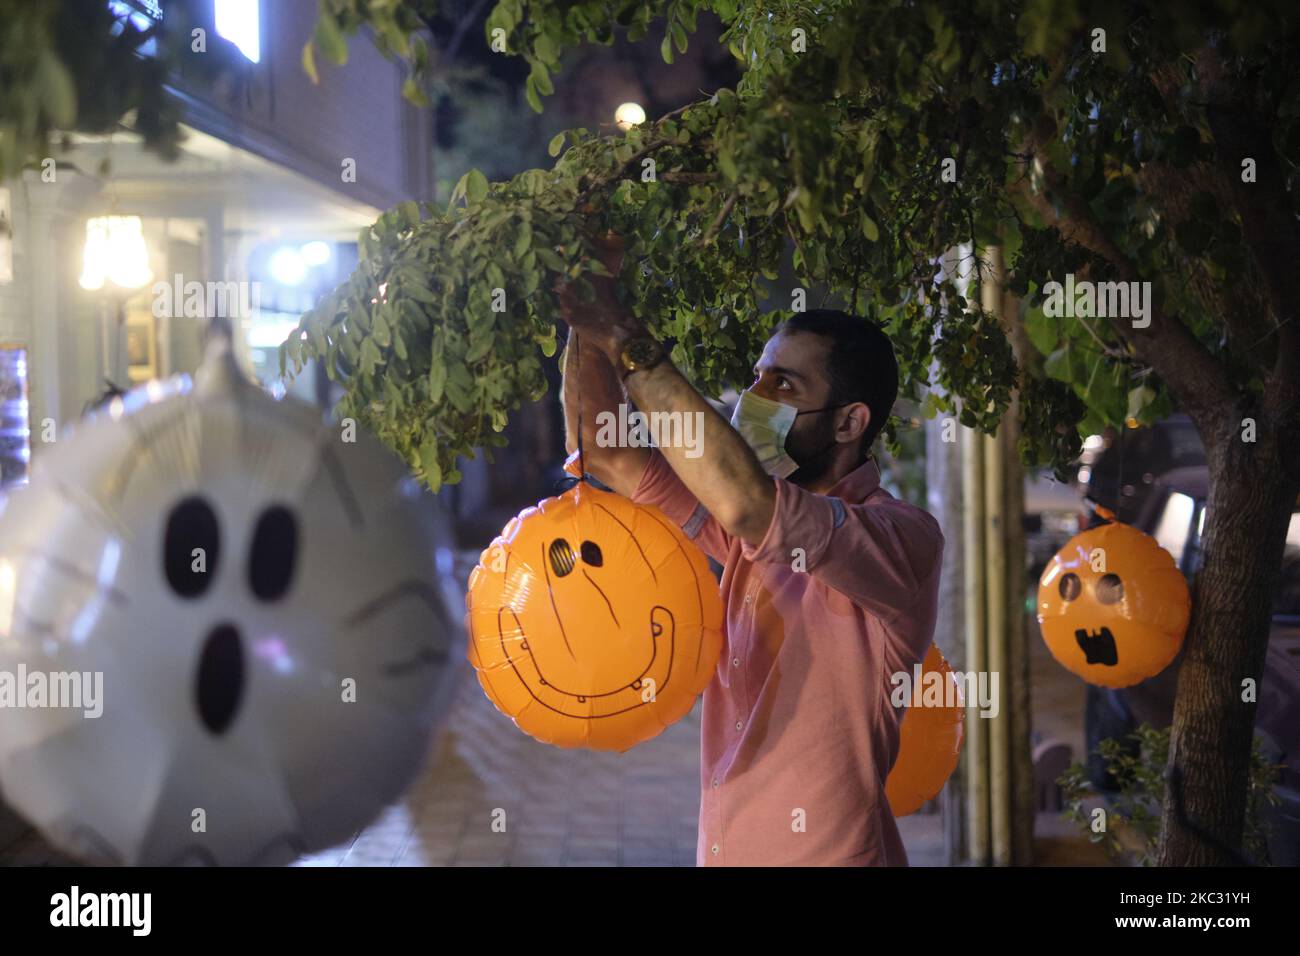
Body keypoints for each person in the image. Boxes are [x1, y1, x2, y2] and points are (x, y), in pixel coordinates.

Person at [557, 236, 945, 866]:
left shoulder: (901, 538)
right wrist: (586, 310)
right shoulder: (744, 533)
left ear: (850, 422)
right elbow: (603, 449)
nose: (755, 398)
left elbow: (749, 505)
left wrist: (627, 336)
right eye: (758, 377)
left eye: (784, 384)